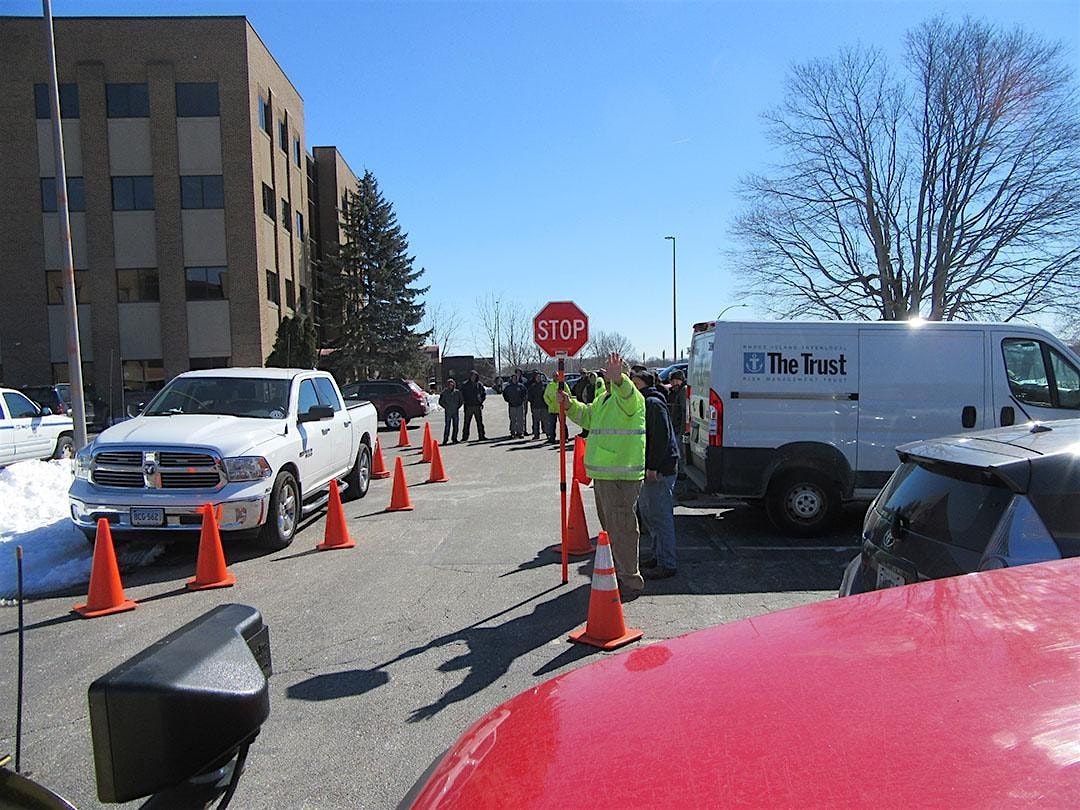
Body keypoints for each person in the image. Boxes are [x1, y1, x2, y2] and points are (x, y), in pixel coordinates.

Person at [548, 352, 646, 599]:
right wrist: (570, 405)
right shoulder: (605, 399)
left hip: (621, 474)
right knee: (611, 526)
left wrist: (621, 379)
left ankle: (630, 580)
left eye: (612, 373)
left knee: (621, 525)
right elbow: (588, 417)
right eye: (607, 372)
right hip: (604, 473)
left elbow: (628, 396)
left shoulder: (630, 398)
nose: (606, 375)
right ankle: (621, 572)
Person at [631, 369, 680, 580]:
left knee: (660, 517)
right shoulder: (646, 401)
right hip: (651, 468)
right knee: (650, 515)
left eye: (632, 380)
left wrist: (652, 467)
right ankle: (657, 556)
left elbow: (661, 438)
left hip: (659, 470)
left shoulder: (652, 403)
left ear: (640, 382)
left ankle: (667, 563)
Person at [666, 369, 688, 480]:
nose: (674, 383)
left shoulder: (683, 391)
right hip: (674, 427)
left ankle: (682, 474)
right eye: (672, 381)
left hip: (680, 428)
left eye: (676, 381)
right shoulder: (674, 392)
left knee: (680, 452)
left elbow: (685, 411)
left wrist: (683, 429)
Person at [460, 370, 487, 441]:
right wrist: (464, 402)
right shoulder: (465, 384)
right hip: (468, 406)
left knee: (479, 422)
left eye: (475, 376)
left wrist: (481, 401)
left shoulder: (479, 385)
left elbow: (483, 394)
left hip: (477, 406)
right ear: (470, 376)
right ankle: (465, 437)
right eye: (472, 376)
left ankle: (482, 436)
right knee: (466, 423)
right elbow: (461, 394)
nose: (473, 377)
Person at [502, 371, 528, 438]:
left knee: (520, 420)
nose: (514, 379)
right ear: (511, 379)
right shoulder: (508, 387)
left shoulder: (521, 386)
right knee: (513, 420)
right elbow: (504, 394)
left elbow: (525, 393)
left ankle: (520, 432)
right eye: (513, 378)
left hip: (519, 405)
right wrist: (508, 400)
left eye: (515, 378)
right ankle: (512, 432)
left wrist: (522, 400)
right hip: (512, 406)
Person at [438, 378, 463, 444]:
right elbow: (440, 401)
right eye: (449, 384)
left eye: (452, 384)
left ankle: (454, 438)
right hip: (448, 412)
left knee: (456, 425)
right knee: (447, 426)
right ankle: (445, 439)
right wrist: (446, 407)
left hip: (455, 411)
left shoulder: (457, 392)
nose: (450, 385)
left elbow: (461, 401)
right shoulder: (444, 392)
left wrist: (457, 407)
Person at [527, 371, 549, 441]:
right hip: (535, 407)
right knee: (536, 422)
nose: (538, 378)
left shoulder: (545, 386)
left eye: (540, 377)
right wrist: (532, 402)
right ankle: (536, 435)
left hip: (544, 407)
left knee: (546, 422)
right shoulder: (532, 386)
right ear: (535, 378)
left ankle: (548, 434)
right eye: (537, 377)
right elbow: (529, 396)